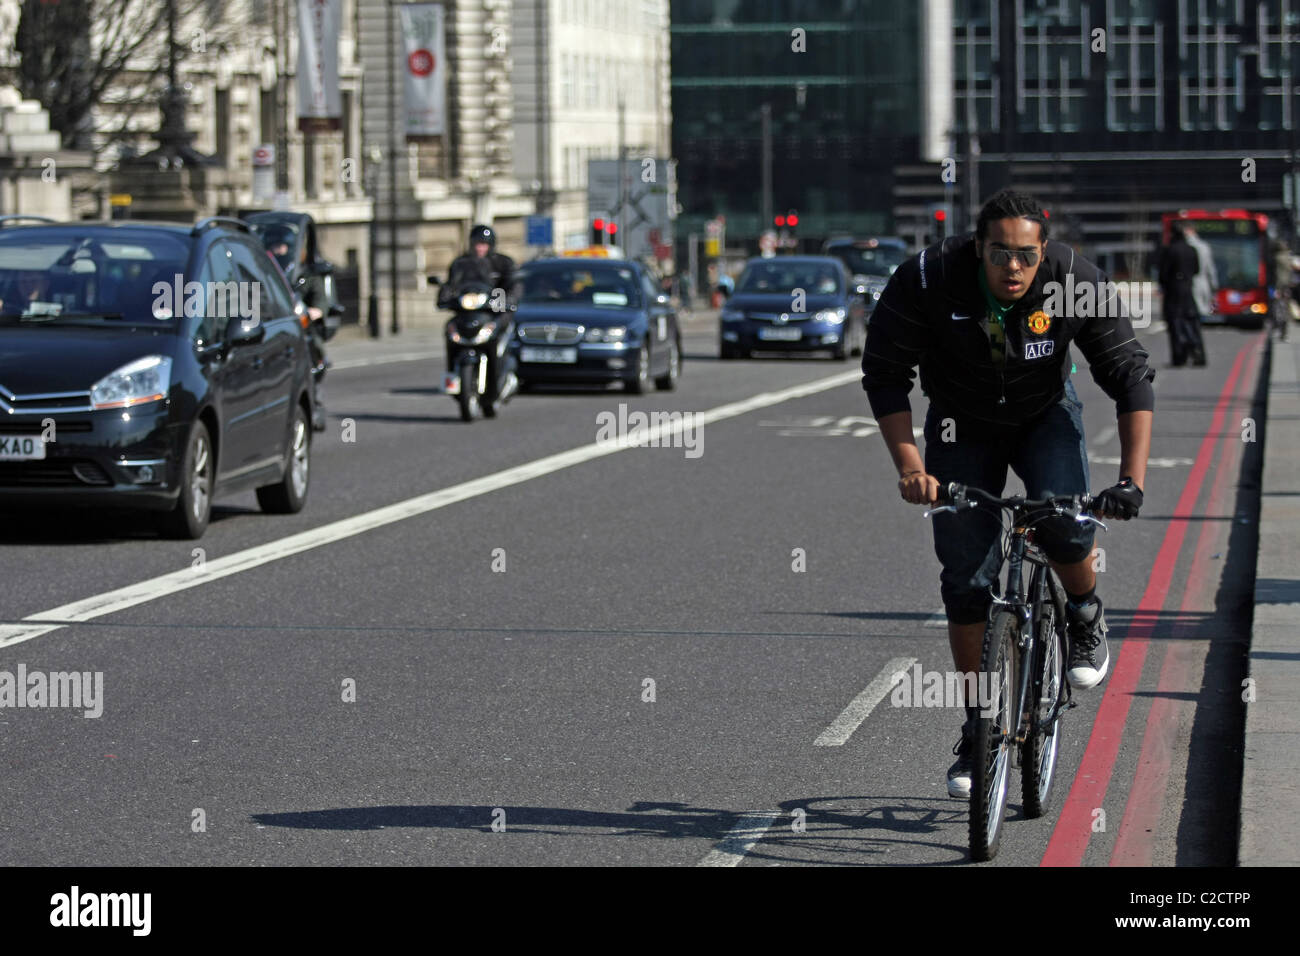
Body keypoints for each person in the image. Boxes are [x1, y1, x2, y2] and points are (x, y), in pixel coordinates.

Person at [862, 188, 1155, 800]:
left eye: (1026, 255)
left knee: (1066, 519)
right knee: (966, 579)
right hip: (958, 422)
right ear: (978, 248)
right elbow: (885, 373)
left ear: (1043, 251)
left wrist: (1131, 481)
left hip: (1044, 413)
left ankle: (1084, 613)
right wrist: (911, 465)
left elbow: (1129, 374)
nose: (1013, 268)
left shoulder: (1076, 279)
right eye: (1000, 254)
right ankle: (978, 726)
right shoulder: (928, 278)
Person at [1158, 226, 1204, 366]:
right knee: (1192, 321)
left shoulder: (1170, 250)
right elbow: (1197, 270)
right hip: (1188, 289)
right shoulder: (1192, 250)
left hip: (1173, 291)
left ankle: (1180, 356)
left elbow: (1163, 274)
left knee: (1175, 323)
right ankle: (1197, 351)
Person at [1184, 226, 1219, 321]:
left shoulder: (1184, 247)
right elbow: (1210, 268)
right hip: (1204, 282)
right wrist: (1214, 284)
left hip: (1189, 283)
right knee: (1203, 311)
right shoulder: (1204, 246)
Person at [1270, 237, 1293, 341]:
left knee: (1278, 309)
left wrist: (1277, 289)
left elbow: (1278, 275)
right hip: (1286, 286)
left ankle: (1279, 330)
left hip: (1279, 287)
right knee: (1285, 309)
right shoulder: (1288, 257)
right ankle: (1284, 333)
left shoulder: (1277, 258)